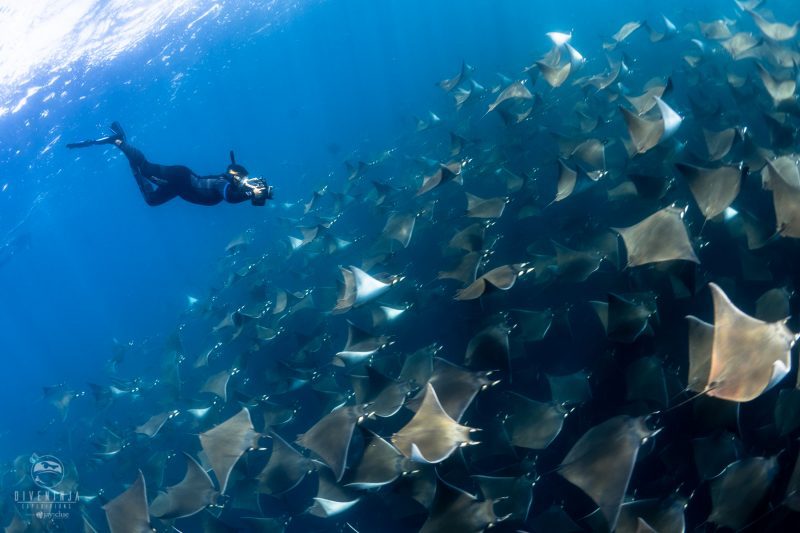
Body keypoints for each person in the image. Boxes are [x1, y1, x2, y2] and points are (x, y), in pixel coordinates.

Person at [67, 122, 273, 206]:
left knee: (151, 201)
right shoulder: (223, 183)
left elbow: (249, 198)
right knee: (145, 167)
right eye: (243, 179)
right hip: (179, 178)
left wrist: (256, 193)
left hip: (178, 186)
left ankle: (129, 158)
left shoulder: (230, 185)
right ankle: (119, 140)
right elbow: (230, 196)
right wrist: (249, 194)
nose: (245, 183)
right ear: (235, 176)